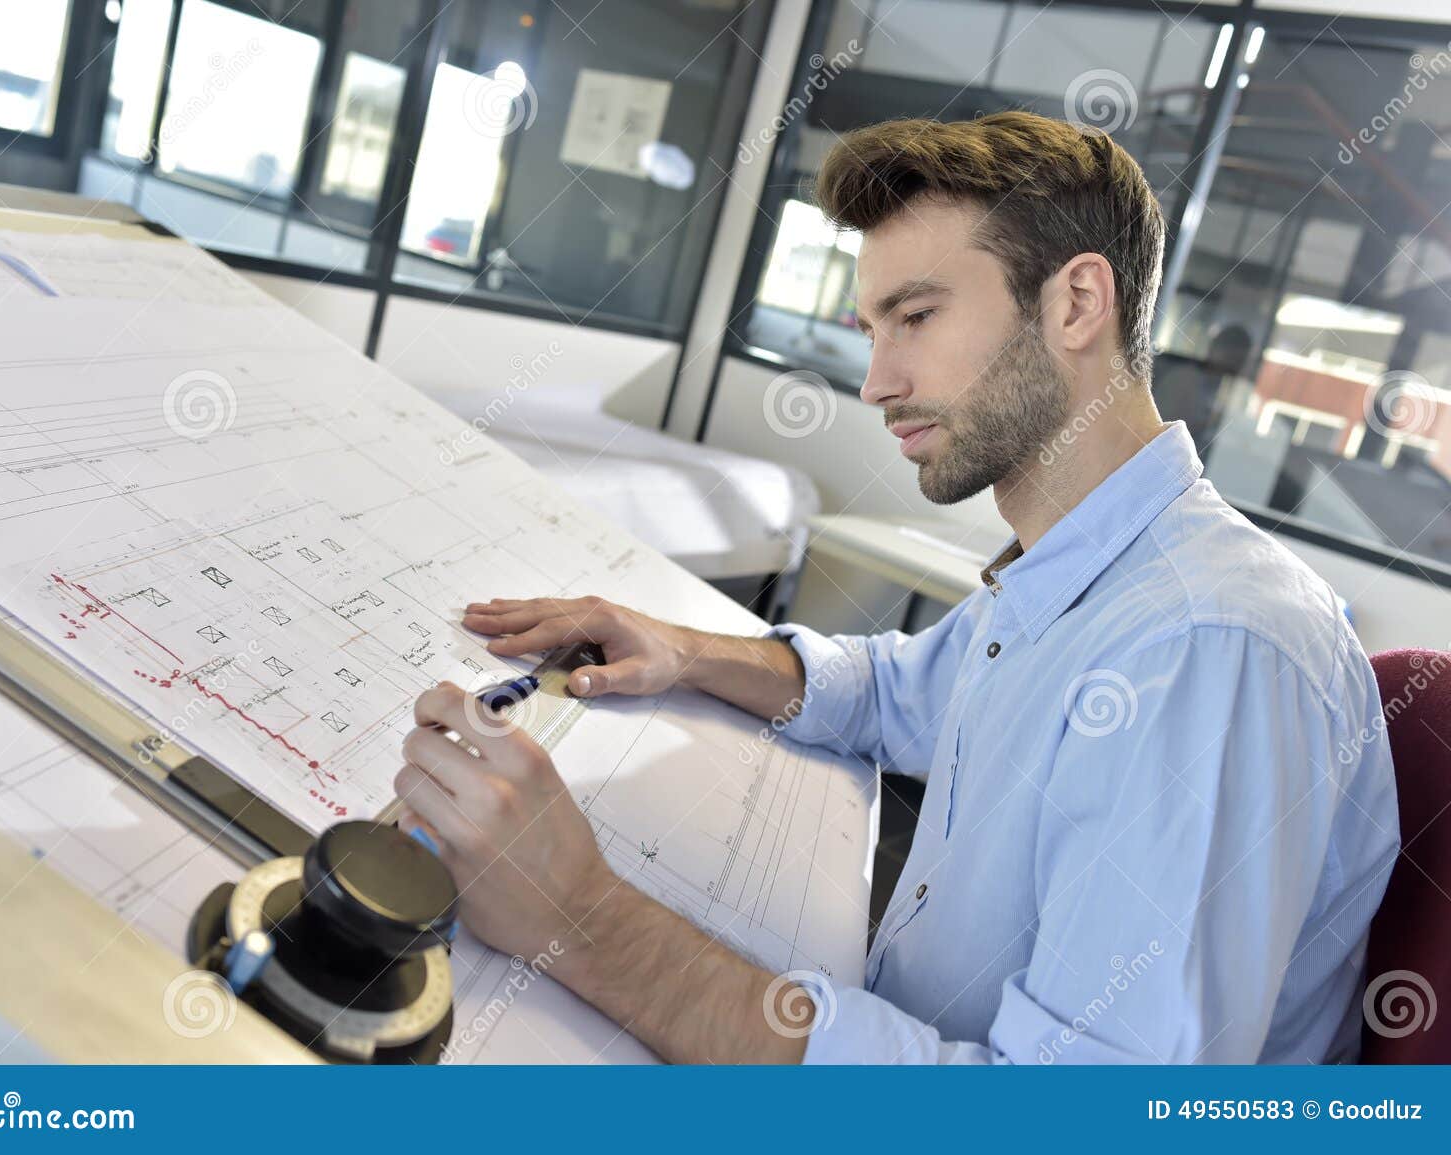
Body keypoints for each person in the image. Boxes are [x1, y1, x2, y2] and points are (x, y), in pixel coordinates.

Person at [393, 111, 1399, 1064]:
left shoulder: (1203, 648)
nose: (874, 382)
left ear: (1076, 303)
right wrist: (683, 648)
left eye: (913, 316)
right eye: (872, 328)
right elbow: (894, 692)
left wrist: (584, 920)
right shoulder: (1083, 568)